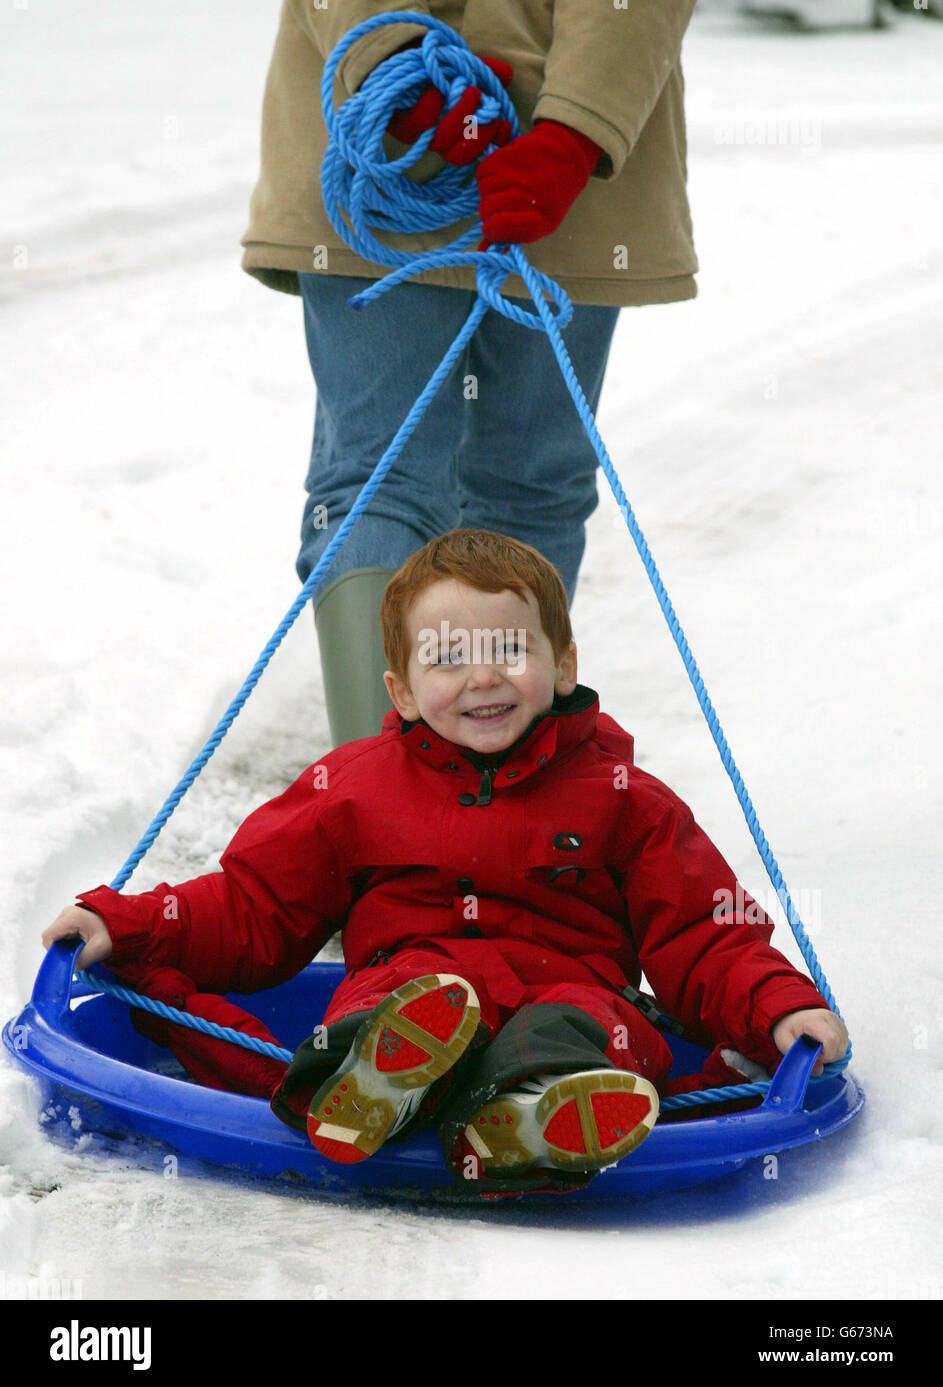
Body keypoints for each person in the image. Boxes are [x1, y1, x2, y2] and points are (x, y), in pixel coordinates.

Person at [43, 530, 848, 1195]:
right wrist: (131, 922)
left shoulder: (621, 797)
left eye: (508, 647)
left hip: (569, 991)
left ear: (562, 665)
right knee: (410, 1002)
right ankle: (375, 1078)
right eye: (448, 658)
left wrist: (775, 1007)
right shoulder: (353, 789)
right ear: (399, 690)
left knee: (577, 1028)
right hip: (415, 983)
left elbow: (705, 934)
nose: (483, 675)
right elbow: (255, 904)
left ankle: (535, 1114)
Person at [239, 2, 701, 745]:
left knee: (378, 486)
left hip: (392, 154)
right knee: (525, 487)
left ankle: (383, 797)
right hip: (542, 180)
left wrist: (398, 68)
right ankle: (477, 805)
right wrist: (574, 129)